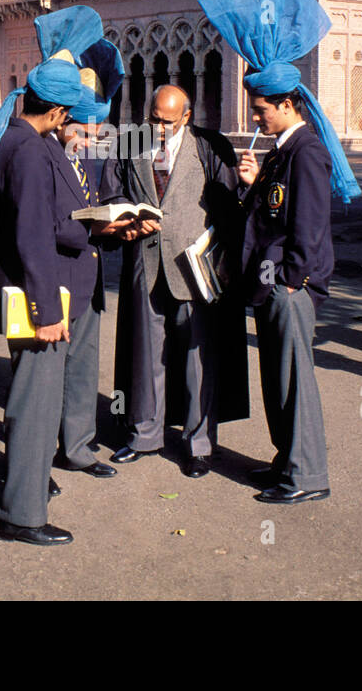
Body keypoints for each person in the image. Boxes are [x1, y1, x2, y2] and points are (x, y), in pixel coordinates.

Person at [200, 0, 361, 504]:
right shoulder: (283, 153)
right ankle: (286, 459)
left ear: (288, 104)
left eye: (262, 107)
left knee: (294, 381)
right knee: (278, 378)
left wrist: (293, 283)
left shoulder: (305, 153)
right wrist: (251, 186)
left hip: (288, 289)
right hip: (272, 286)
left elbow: (309, 228)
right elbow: (273, 214)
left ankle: (307, 475)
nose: (256, 115)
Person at [0, 49, 83, 547]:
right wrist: (47, 312)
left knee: (27, 395)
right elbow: (31, 235)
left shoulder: (5, 138)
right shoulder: (30, 150)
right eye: (66, 116)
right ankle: (22, 514)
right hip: (32, 295)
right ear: (55, 112)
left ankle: (26, 483)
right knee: (35, 401)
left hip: (8, 287)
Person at [101, 83, 248, 478]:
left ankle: (199, 444)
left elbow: (230, 207)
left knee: (198, 359)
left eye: (167, 121)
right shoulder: (129, 142)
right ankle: (144, 435)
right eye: (153, 119)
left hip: (194, 269)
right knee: (145, 355)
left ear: (186, 116)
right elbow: (110, 197)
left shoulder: (210, 145)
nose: (158, 128)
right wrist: (125, 224)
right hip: (145, 267)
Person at [42, 15, 124, 479]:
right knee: (45, 374)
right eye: (86, 133)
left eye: (99, 134)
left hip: (87, 276)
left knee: (82, 367)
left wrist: (120, 224)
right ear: (63, 121)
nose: (93, 142)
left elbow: (108, 199)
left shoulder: (95, 153)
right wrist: (92, 230)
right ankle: (36, 455)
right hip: (53, 277)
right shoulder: (41, 156)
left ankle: (77, 447)